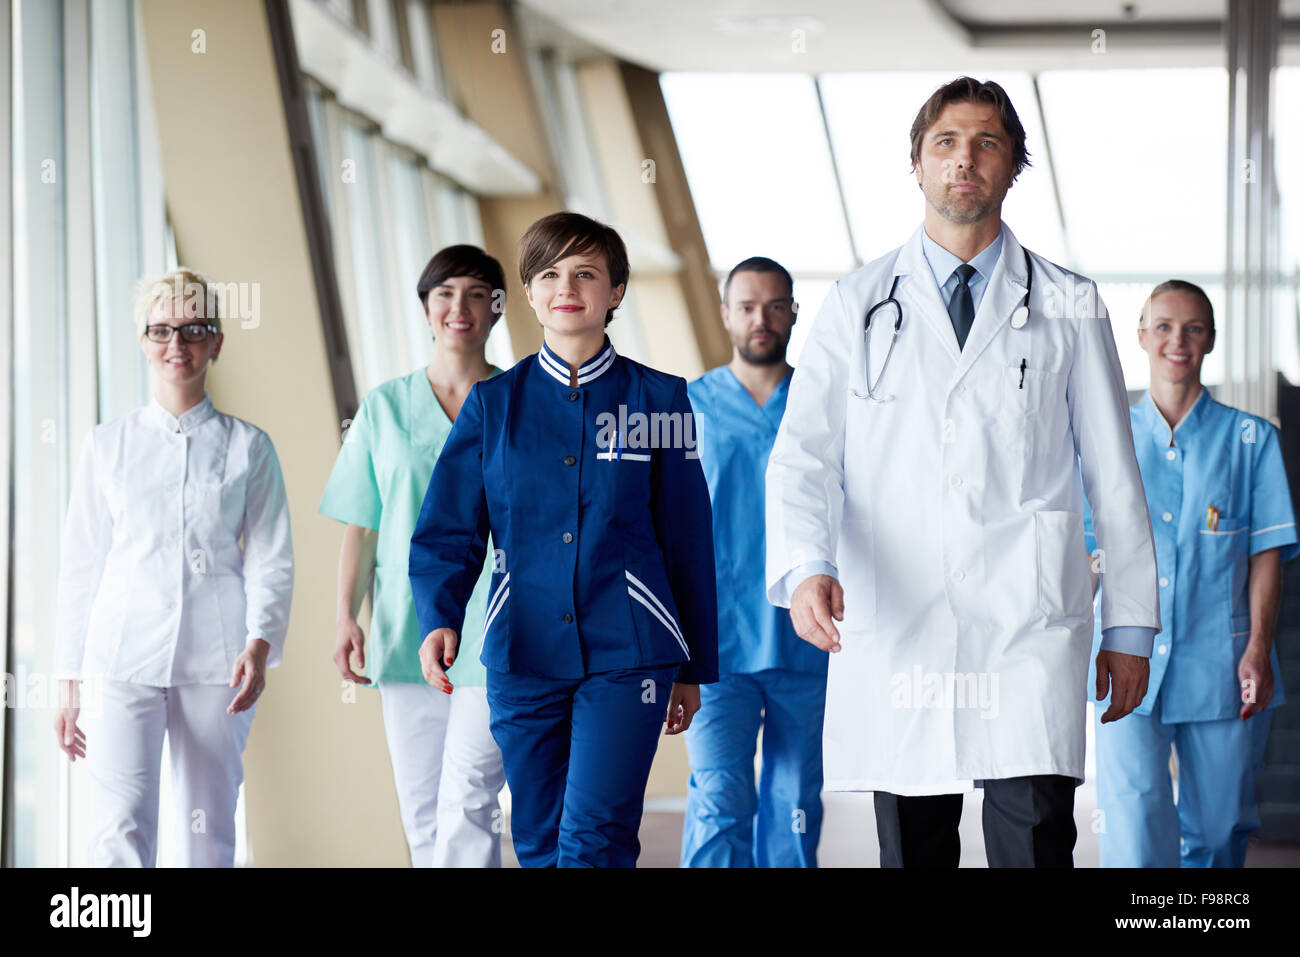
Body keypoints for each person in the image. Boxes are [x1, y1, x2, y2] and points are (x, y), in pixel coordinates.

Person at [765, 76, 1160, 868]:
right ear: (916, 163)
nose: (965, 160)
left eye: (987, 143)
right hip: (900, 619)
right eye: (945, 142)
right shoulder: (856, 301)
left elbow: (1113, 475)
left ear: (1014, 166)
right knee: (912, 847)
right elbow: (805, 454)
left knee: (1035, 840)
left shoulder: (1069, 303)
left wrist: (1129, 625)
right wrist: (809, 565)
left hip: (1027, 622)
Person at [409, 211, 718, 867]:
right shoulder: (495, 404)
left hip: (630, 651)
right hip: (522, 650)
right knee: (541, 840)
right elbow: (450, 527)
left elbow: (687, 537)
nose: (566, 287)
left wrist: (694, 664)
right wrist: (439, 615)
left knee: (595, 835)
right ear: (527, 292)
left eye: (585, 273)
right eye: (548, 273)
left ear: (616, 291)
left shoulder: (658, 400)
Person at [52, 268, 294, 867]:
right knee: (118, 825)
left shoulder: (250, 446)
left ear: (216, 341)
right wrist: (67, 679)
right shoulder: (106, 446)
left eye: (193, 329)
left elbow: (271, 556)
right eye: (160, 330)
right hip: (120, 656)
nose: (176, 345)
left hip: (218, 660)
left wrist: (260, 643)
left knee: (207, 825)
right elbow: (80, 564)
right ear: (142, 341)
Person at [1087, 280, 1297, 867]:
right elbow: (1084, 557)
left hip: (1222, 667)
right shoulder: (1108, 439)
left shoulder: (1251, 440)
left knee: (1219, 830)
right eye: (1163, 326)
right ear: (1141, 336)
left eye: (1193, 328)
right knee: (1132, 831)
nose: (1177, 340)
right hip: (1124, 663)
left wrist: (1257, 647)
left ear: (1209, 340)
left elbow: (1265, 553)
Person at [319, 245, 508, 867]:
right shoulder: (383, 408)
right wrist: (346, 616)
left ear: (498, 308)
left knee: (470, 795)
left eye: (477, 293)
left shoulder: (518, 402)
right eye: (446, 292)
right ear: (426, 306)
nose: (460, 307)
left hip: (497, 624)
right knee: (422, 806)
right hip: (405, 628)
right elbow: (363, 524)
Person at [680, 256, 827, 868]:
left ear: (793, 312)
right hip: (716, 644)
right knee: (720, 796)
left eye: (774, 305)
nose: (760, 319)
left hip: (808, 637)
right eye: (746, 306)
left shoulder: (823, 403)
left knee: (796, 802)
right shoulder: (688, 406)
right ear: (726, 314)